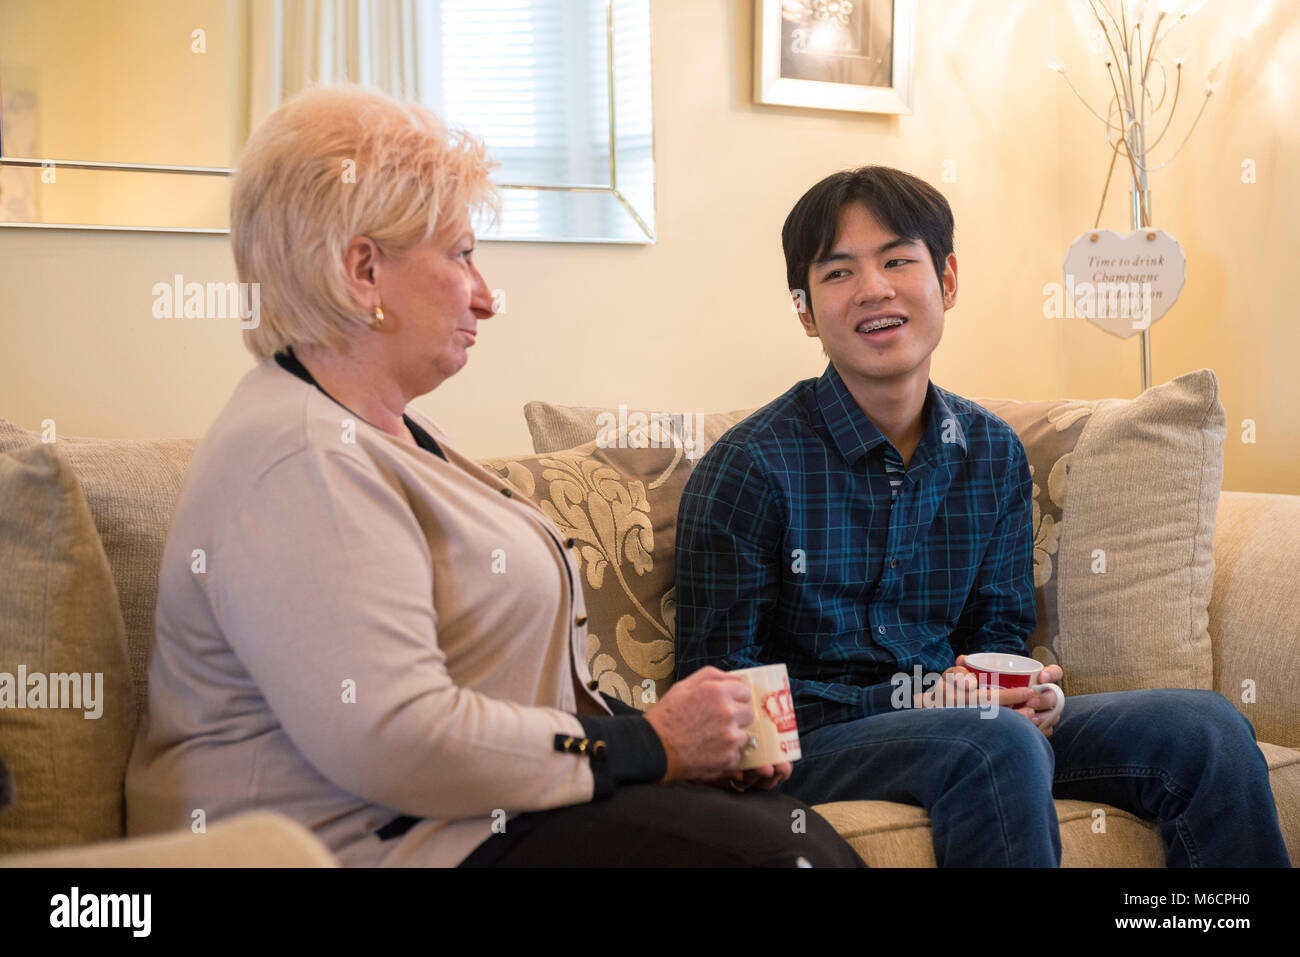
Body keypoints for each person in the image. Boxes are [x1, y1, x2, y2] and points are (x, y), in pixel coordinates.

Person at [123, 85, 864, 868]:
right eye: (462, 254)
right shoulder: (303, 460)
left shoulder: (390, 431)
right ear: (363, 271)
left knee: (793, 834)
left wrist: (692, 746)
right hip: (360, 846)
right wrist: (652, 742)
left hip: (465, 821)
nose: (485, 295)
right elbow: (397, 736)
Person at [674, 165, 1292, 867]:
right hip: (817, 746)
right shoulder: (751, 465)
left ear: (948, 281)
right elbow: (716, 695)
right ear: (807, 312)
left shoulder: (991, 451)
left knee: (1204, 727)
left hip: (967, 723)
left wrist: (1021, 691)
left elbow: (996, 635)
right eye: (839, 272)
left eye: (898, 259)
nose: (874, 288)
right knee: (991, 737)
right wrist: (917, 702)